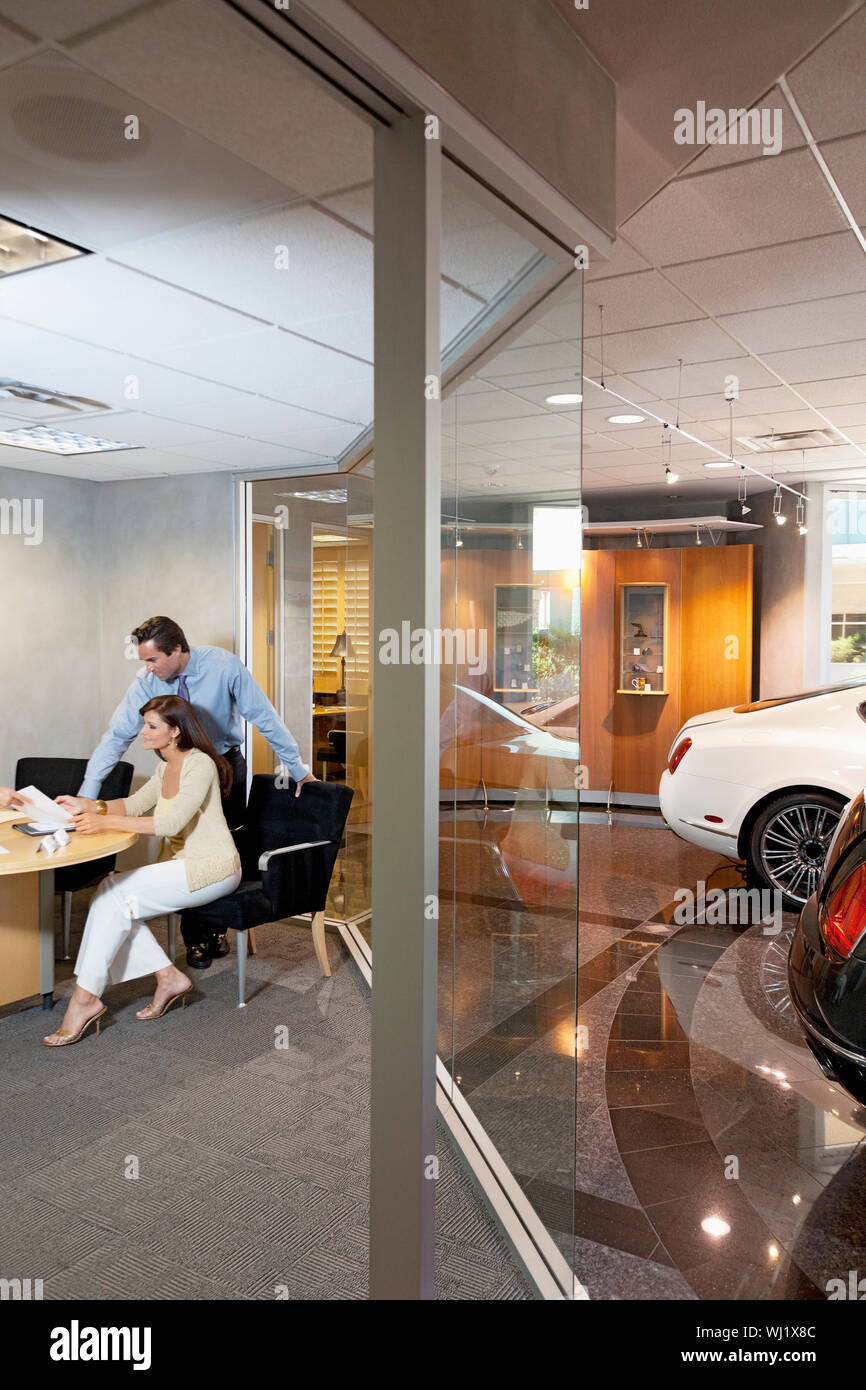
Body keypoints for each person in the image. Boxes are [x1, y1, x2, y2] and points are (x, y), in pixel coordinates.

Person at [69, 615, 315, 968]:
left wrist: (297, 769)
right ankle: (197, 938)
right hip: (178, 766)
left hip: (223, 763)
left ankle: (212, 930)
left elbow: (265, 717)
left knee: (216, 845)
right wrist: (87, 797)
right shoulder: (145, 682)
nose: (147, 668)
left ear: (178, 650)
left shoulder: (222, 666)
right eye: (144, 661)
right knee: (182, 847)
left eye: (153, 659)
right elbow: (115, 739)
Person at [44, 696, 242, 1047]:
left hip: (213, 867)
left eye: (152, 726)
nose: (143, 732)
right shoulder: (167, 765)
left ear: (176, 731)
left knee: (114, 897)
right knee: (109, 892)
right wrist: (90, 805)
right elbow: (135, 804)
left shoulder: (200, 766)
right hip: (181, 865)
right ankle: (166, 977)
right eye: (145, 724)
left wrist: (102, 824)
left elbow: (169, 822)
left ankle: (85, 999)